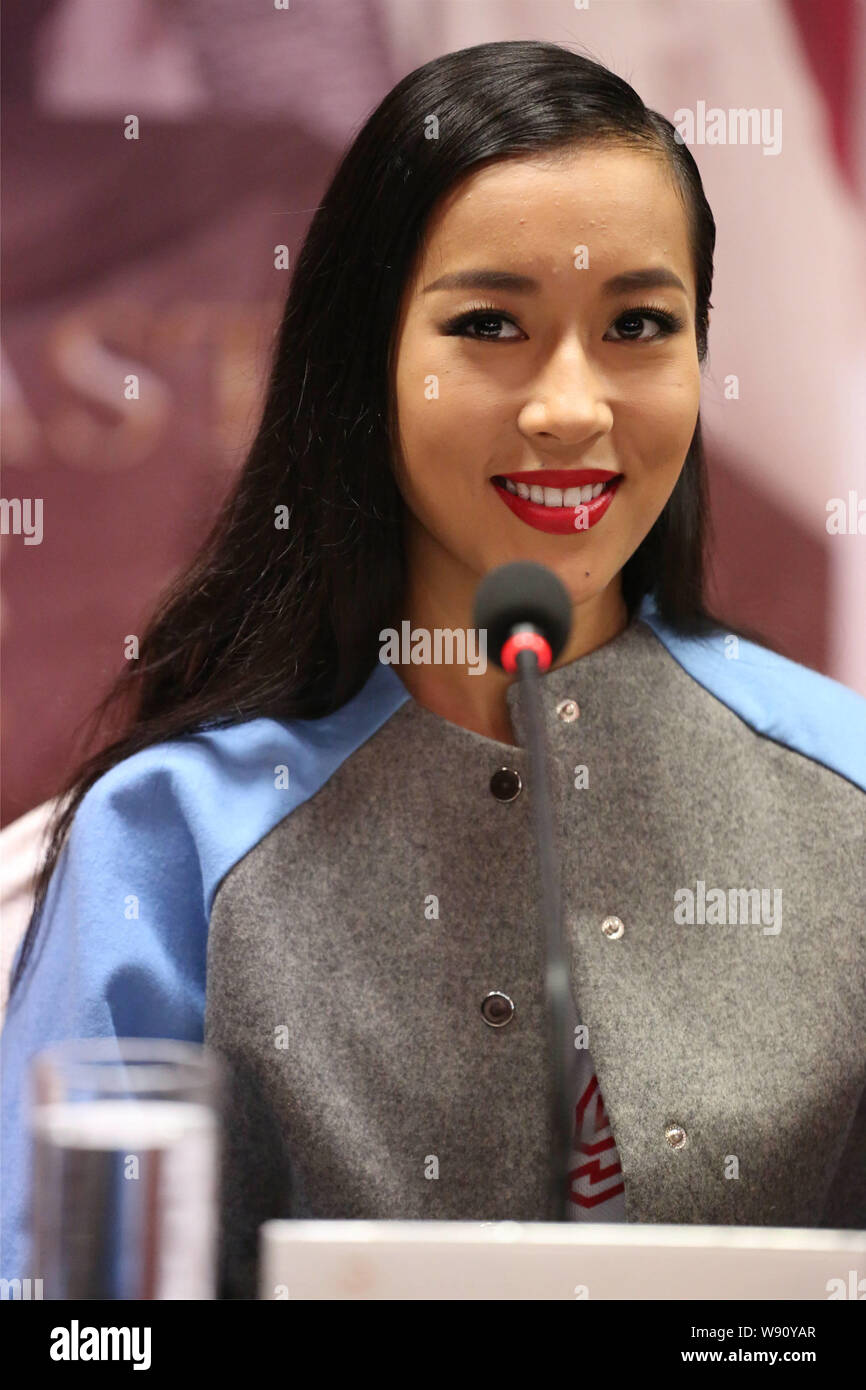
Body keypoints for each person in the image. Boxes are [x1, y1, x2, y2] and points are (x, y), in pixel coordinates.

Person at [2, 40, 864, 1301]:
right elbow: (63, 1323)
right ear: (364, 363)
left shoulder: (842, 797)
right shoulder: (172, 836)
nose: (570, 404)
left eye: (636, 324)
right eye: (489, 326)